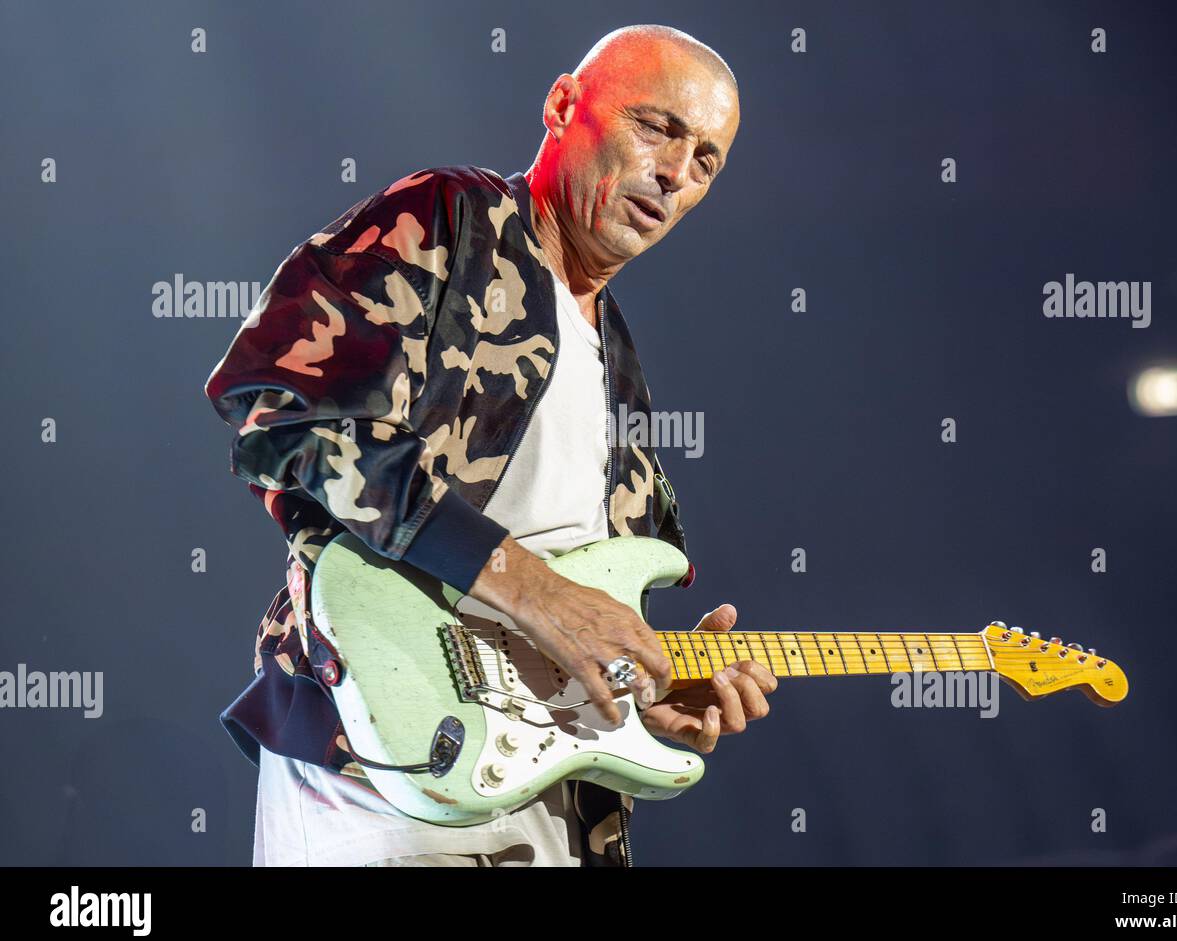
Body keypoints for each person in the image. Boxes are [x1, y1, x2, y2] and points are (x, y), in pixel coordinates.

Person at [205, 24, 776, 867]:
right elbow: (286, 406)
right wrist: (537, 593)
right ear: (562, 105)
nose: (674, 172)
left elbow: (578, 606)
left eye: (705, 161)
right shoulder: (452, 219)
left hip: (549, 802)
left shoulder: (619, 364)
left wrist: (637, 699)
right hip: (381, 770)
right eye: (657, 127)